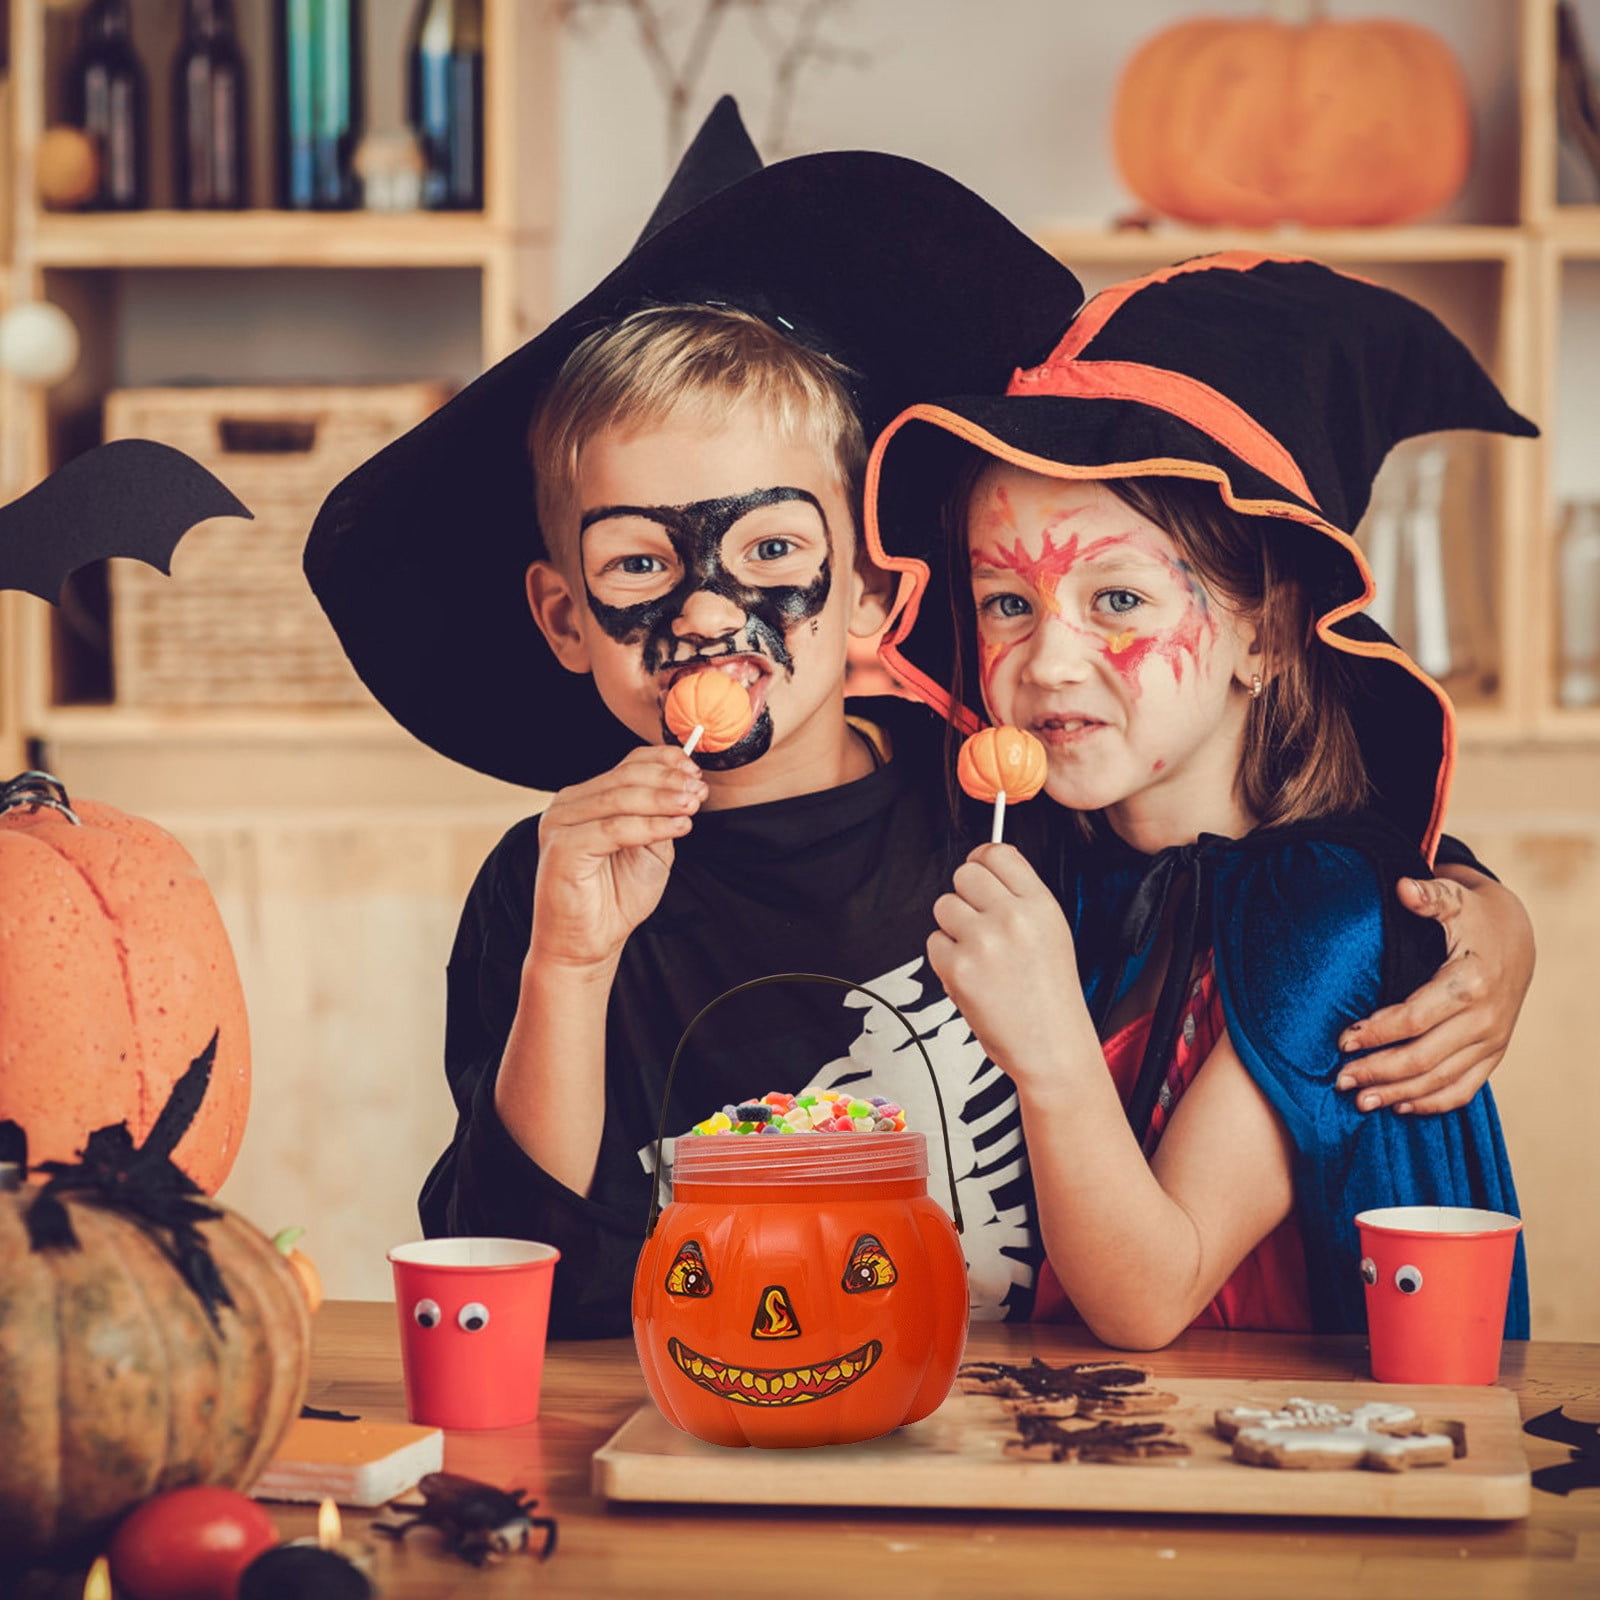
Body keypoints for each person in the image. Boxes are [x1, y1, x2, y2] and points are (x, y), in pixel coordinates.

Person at [307, 108, 1534, 1338]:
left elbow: (1276, 873)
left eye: (770, 550)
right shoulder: (548, 888)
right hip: (674, 1410)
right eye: (637, 564)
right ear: (563, 614)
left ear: (874, 595)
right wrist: (567, 969)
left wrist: (1476, 914)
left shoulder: (1009, 810)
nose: (708, 614)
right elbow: (506, 1290)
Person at [863, 252, 1534, 1345]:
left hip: (1288, 1439)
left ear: (1266, 635)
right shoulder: (1048, 860)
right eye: (1006, 603)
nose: (1048, 663)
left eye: (1118, 600)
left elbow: (1149, 1295)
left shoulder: (1328, 915)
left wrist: (1047, 1045)